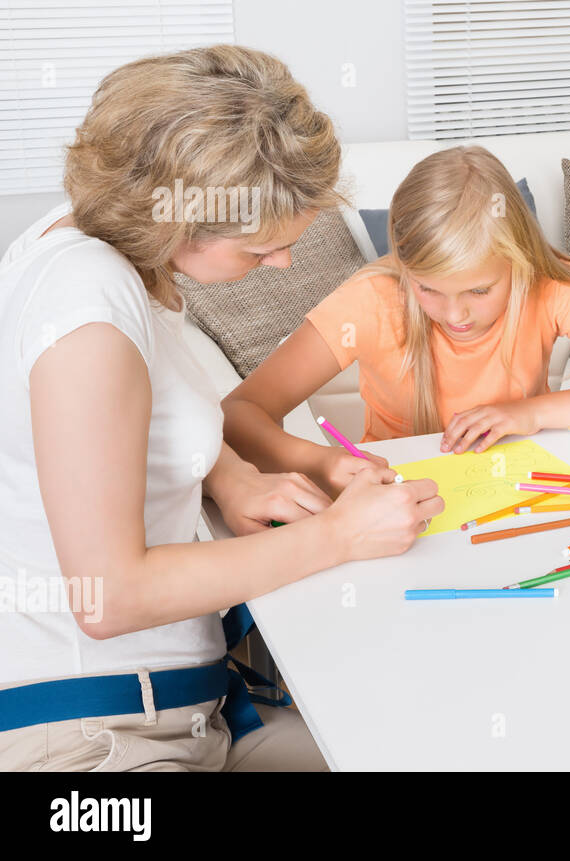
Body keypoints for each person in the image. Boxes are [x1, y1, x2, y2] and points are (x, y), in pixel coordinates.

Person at [0, 45, 441, 771]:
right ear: (176, 220)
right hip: (90, 738)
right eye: (262, 248)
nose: (284, 265)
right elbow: (108, 596)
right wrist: (340, 536)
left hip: (187, 707)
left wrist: (229, 474)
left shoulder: (97, 243)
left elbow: (137, 427)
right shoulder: (87, 316)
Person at [222, 145, 570, 490]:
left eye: (479, 290)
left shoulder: (549, 283)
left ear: (517, 262)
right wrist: (322, 462)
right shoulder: (371, 300)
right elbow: (239, 414)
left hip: (524, 490)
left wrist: (531, 413)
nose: (454, 314)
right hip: (397, 496)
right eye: (428, 289)